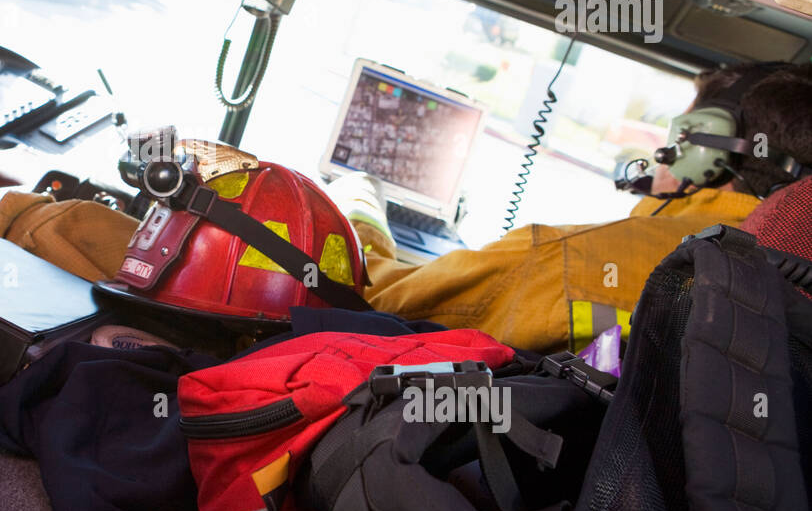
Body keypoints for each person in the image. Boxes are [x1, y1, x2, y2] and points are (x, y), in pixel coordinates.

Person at [344, 61, 812, 353]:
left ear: (703, 152)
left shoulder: (568, 259)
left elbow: (370, 302)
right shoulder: (782, 276)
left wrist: (359, 196)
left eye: (676, 141)